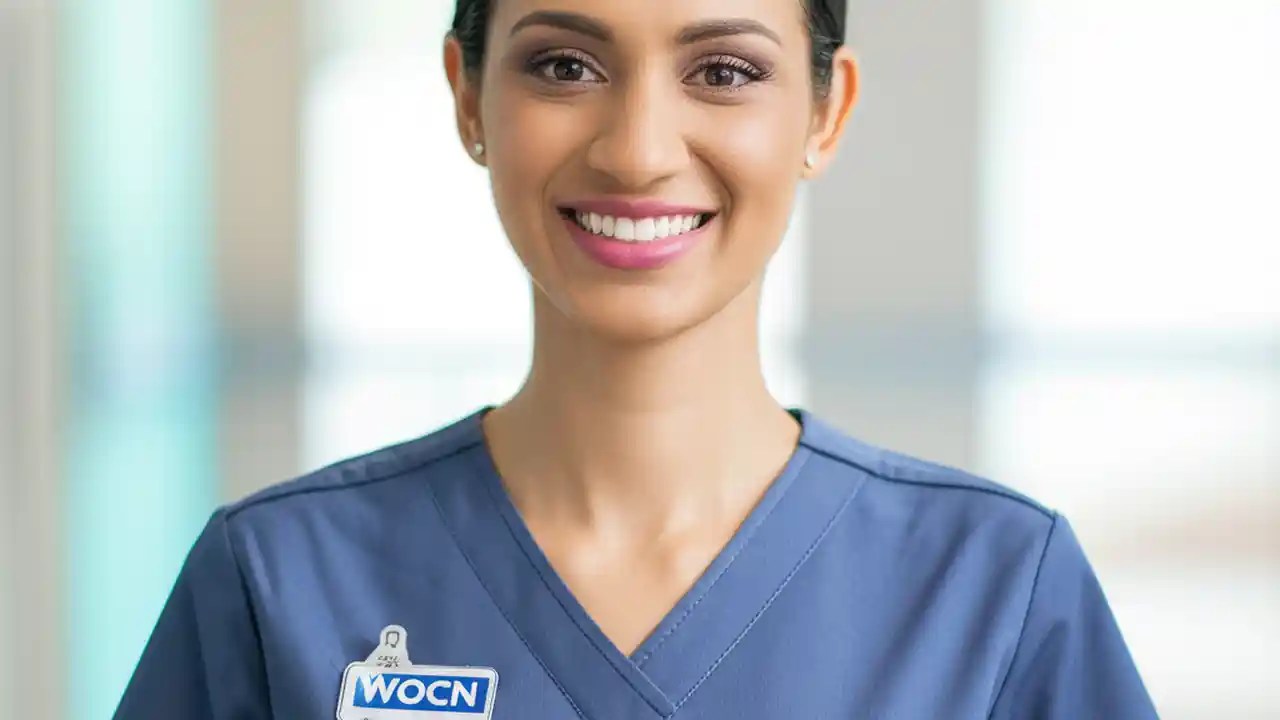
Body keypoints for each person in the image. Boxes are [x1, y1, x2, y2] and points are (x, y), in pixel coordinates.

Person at [115, 0, 1160, 718]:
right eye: (564, 65)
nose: (637, 148)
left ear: (823, 110)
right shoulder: (279, 585)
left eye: (722, 71)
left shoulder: (992, 593)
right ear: (469, 97)